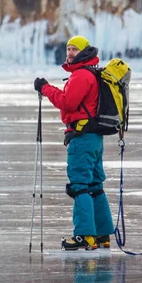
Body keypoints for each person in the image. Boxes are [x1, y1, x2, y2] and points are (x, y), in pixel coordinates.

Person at [33, 35, 115, 250]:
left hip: (82, 137)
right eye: (68, 49)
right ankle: (102, 234)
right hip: (94, 137)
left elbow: (67, 103)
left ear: (84, 52)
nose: (70, 53)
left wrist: (45, 88)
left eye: (74, 50)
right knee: (95, 185)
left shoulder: (81, 75)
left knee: (79, 186)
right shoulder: (93, 73)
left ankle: (85, 235)